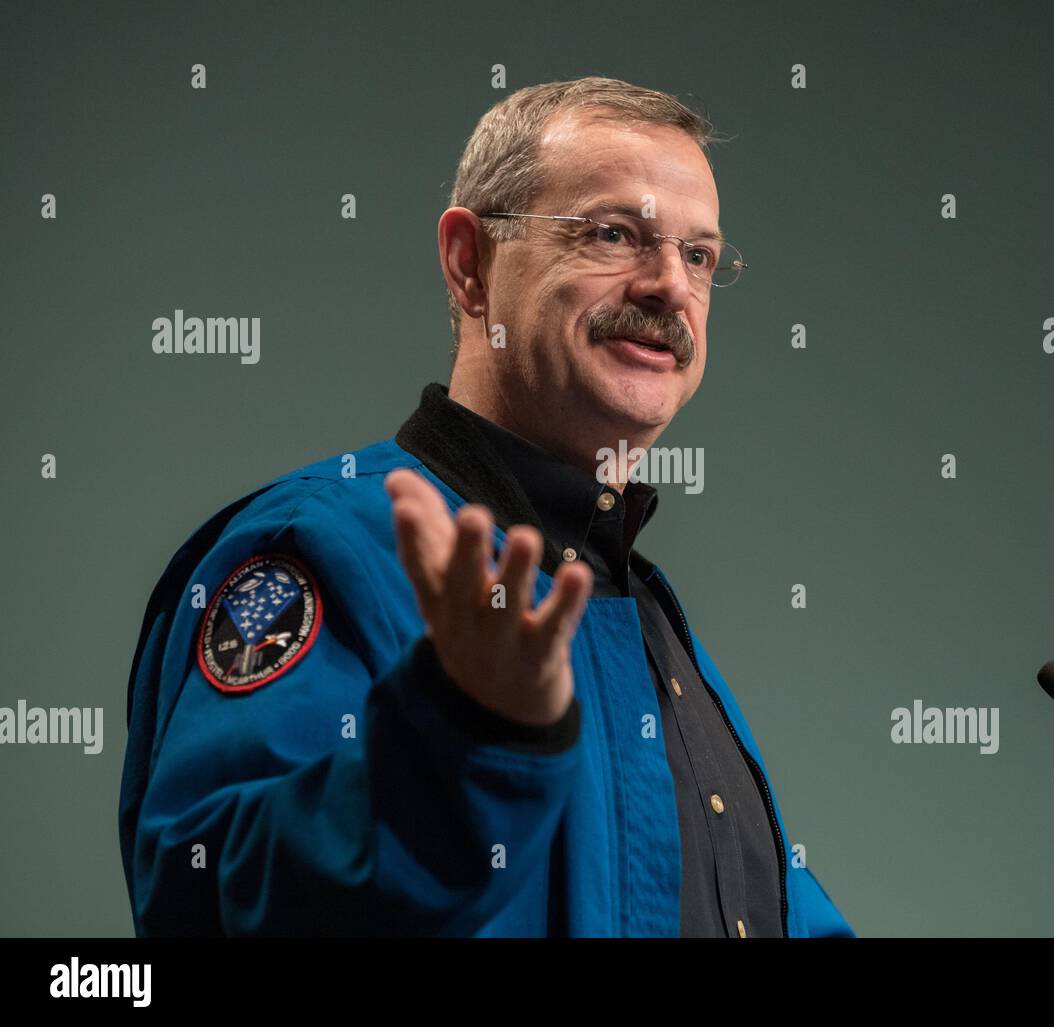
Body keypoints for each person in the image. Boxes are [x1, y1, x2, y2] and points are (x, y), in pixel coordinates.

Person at [118, 76, 855, 938]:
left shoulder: (641, 610)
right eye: (615, 233)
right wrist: (458, 733)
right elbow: (210, 900)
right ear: (471, 265)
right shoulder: (321, 547)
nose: (670, 287)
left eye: (699, 255)